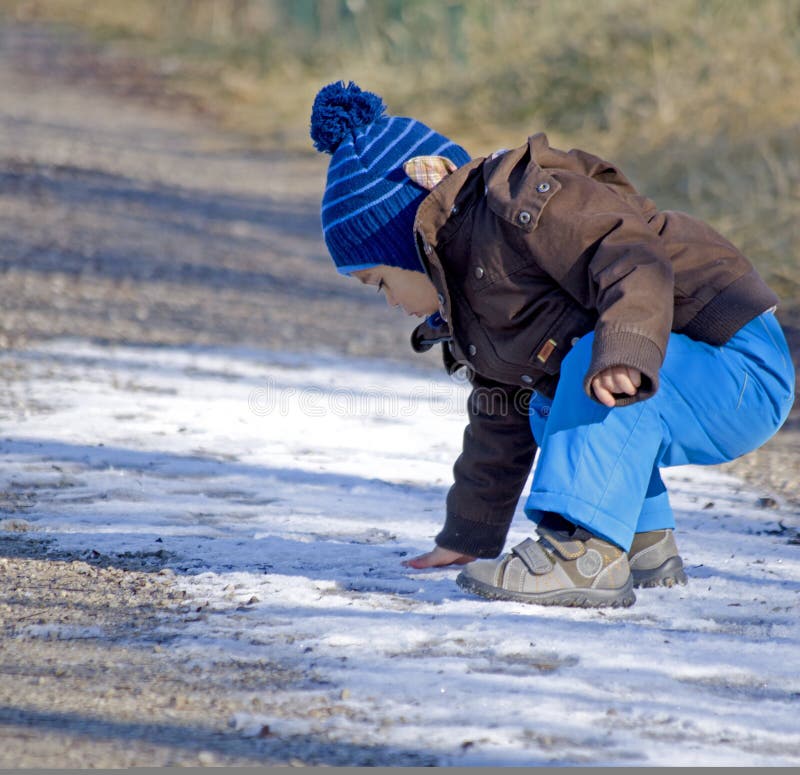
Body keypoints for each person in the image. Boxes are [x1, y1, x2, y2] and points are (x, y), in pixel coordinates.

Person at [309, 80, 795, 608]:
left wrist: (625, 348)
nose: (391, 302)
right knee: (542, 397)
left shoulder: (527, 205)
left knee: (590, 362)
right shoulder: (477, 300)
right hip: (683, 375)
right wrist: (466, 536)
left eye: (380, 281)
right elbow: (501, 416)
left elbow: (633, 257)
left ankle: (582, 551)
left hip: (736, 365)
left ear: (410, 244)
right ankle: (638, 540)